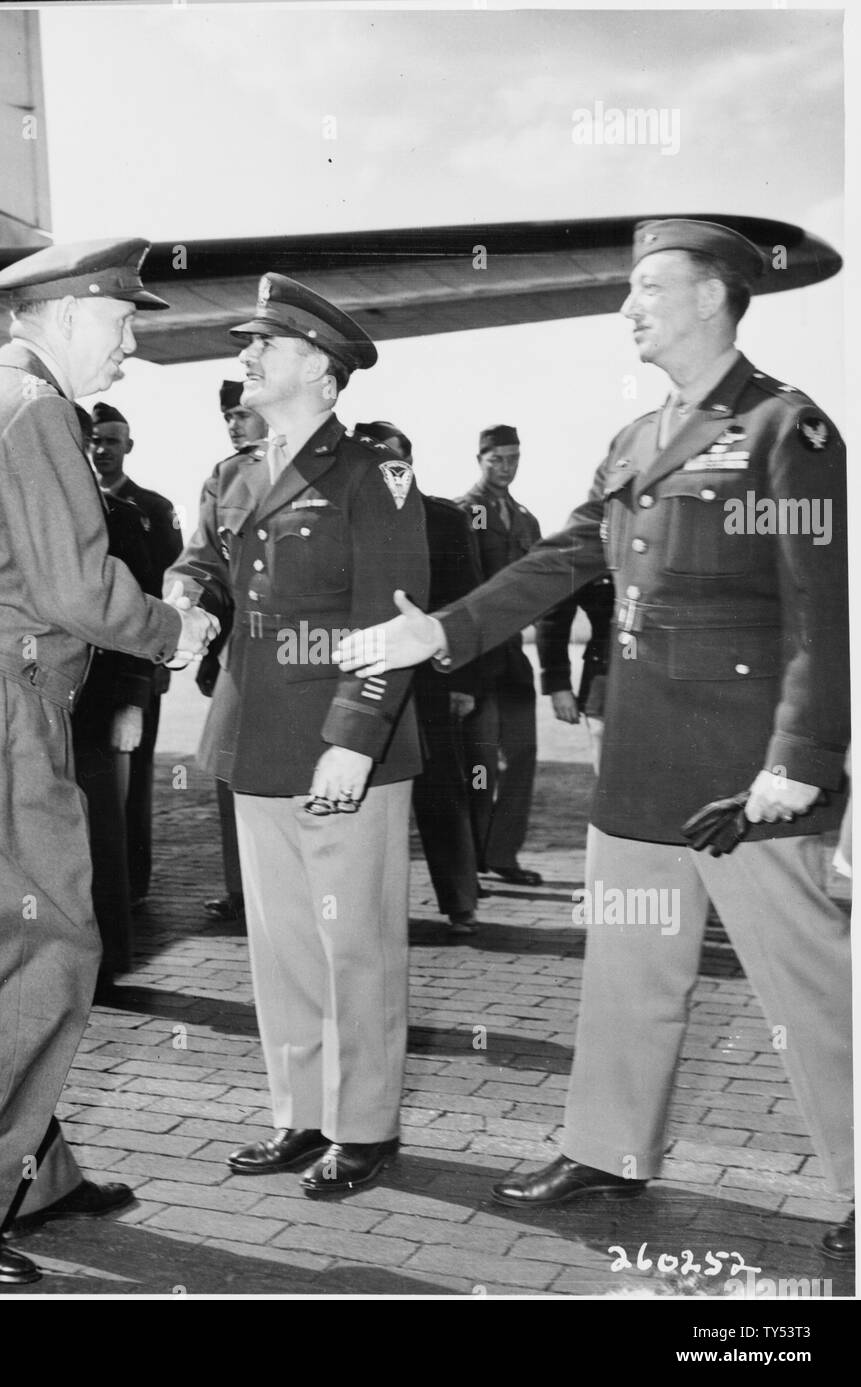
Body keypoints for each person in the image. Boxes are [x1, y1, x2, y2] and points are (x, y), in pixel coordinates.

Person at [336, 219, 852, 1255]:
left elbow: (817, 611)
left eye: (648, 289)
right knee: (628, 969)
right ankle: (606, 1148)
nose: (627, 308)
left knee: (811, 986)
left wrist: (796, 763)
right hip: (640, 759)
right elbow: (566, 557)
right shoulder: (633, 440)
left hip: (743, 781)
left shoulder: (783, 430)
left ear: (711, 297)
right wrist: (441, 627)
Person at [0, 237, 217, 1284]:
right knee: (48, 942)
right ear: (67, 313)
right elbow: (74, 587)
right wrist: (173, 630)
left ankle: (25, 1169)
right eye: (121, 323)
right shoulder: (32, 410)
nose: (129, 347)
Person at [168, 273, 428, 1196]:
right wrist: (187, 596)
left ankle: (364, 1128)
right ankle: (303, 1116)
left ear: (319, 369)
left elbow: (392, 622)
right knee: (280, 946)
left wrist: (354, 738)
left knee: (354, 944)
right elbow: (199, 559)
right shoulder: (234, 473)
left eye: (263, 347)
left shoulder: (373, 477)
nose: (244, 358)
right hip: (255, 740)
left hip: (340, 745)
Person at [354, 420, 482, 933]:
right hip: (365, 675)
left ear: (411, 462)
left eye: (396, 459)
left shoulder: (446, 520)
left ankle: (459, 903)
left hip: (431, 680)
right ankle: (367, 910)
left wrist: (463, 682)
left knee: (442, 792)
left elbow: (469, 602)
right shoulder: (346, 517)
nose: (388, 470)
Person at [71, 406, 160, 990]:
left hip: (103, 699)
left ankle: (107, 966)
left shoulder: (126, 519)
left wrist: (132, 700)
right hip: (45, 698)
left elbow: (141, 614)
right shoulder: (46, 515)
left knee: (104, 834)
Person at [88, 401, 183, 907]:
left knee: (133, 779)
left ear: (129, 445)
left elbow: (167, 589)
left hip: (134, 665)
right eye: (95, 440)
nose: (103, 449)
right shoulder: (71, 503)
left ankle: (131, 884)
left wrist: (158, 663)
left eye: (112, 440)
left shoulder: (152, 508)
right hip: (81, 668)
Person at [457, 426, 543, 886]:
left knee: (523, 754)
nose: (506, 468)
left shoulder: (526, 520)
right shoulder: (466, 513)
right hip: (477, 655)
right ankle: (469, 860)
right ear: (480, 459)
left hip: (512, 655)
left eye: (513, 458)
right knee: (479, 763)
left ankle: (503, 852)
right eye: (497, 460)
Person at [200, 380, 266, 927]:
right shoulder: (224, 478)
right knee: (228, 779)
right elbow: (202, 568)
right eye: (228, 415)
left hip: (302, 658)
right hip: (238, 660)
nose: (234, 423)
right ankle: (240, 891)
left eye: (242, 413)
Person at [535, 574, 615, 773]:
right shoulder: (590, 547)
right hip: (605, 665)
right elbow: (553, 621)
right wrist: (558, 684)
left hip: (666, 665)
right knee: (604, 739)